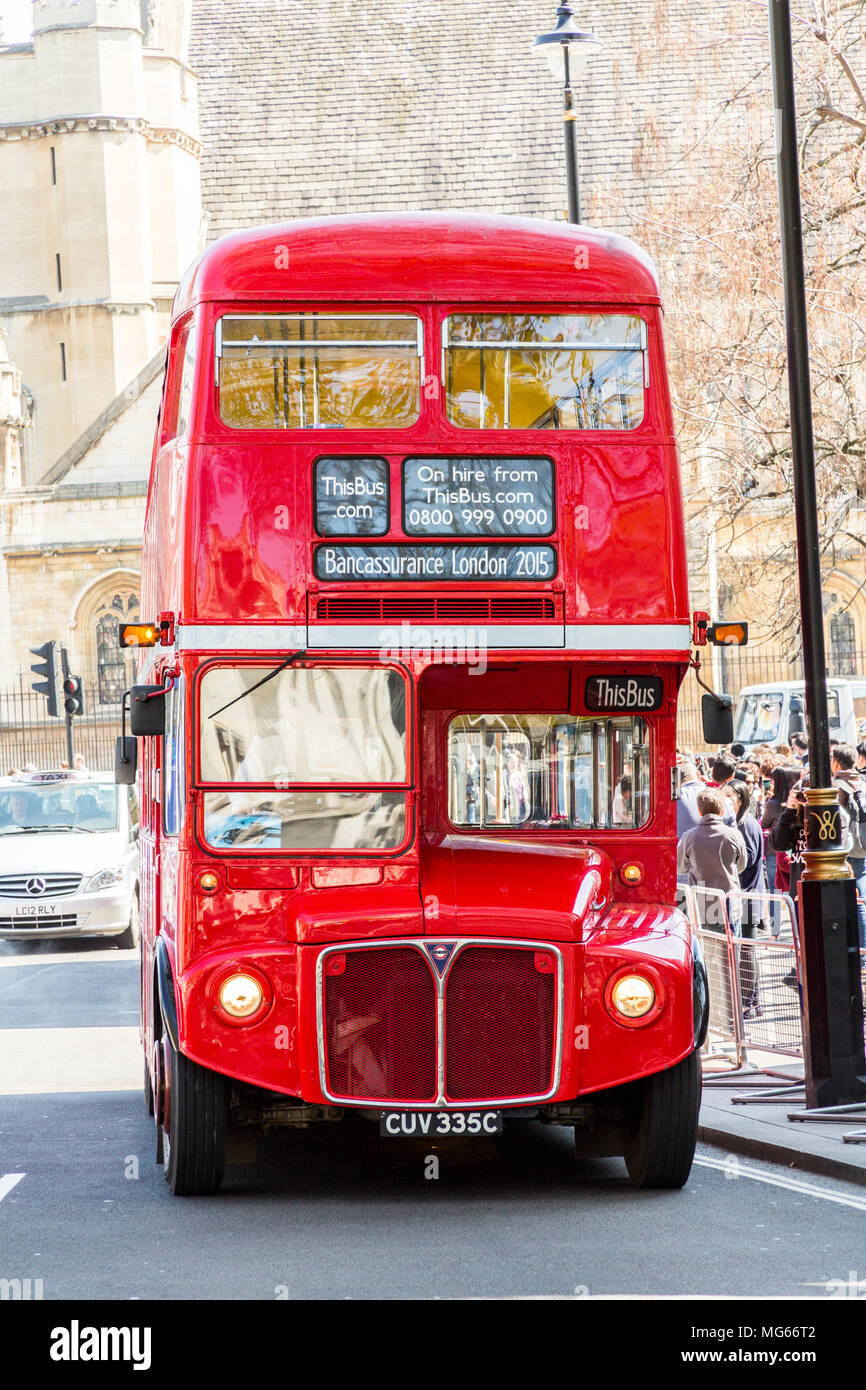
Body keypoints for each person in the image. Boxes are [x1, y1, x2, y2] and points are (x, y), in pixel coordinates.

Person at [677, 788, 747, 929]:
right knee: (732, 948)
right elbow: (741, 865)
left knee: (705, 948)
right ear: (722, 811)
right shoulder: (734, 835)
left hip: (701, 905)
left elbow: (680, 868)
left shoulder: (689, 837)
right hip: (729, 904)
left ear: (700, 811)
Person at [725, 780, 767, 1017]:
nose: (725, 799)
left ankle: (750, 1002)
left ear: (740, 799)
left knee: (747, 952)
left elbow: (749, 860)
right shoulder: (734, 823)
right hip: (742, 896)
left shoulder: (747, 824)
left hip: (748, 895)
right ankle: (751, 1001)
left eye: (729, 795)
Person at [831, 743, 866, 949]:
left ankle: (859, 951)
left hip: (846, 848)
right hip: (862, 845)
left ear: (836, 763)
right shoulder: (862, 781)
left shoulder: (838, 786)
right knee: (860, 896)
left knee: (855, 899)